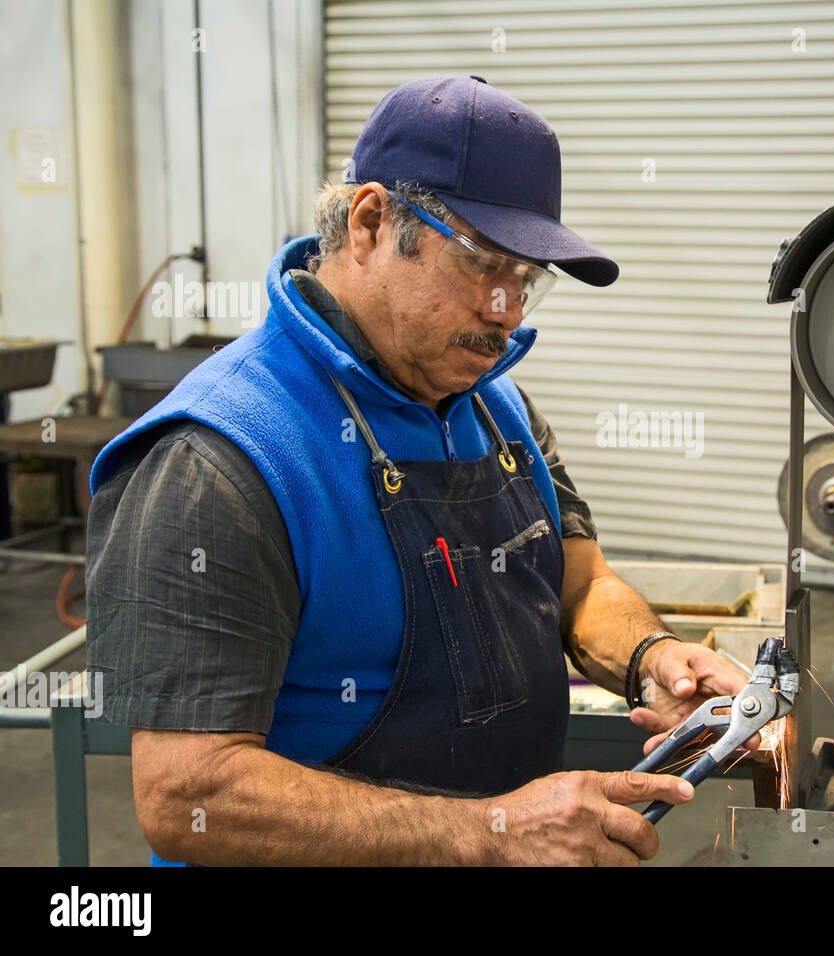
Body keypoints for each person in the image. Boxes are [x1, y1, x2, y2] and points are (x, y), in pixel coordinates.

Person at [85, 75, 753, 866]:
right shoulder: (219, 459)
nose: (506, 309)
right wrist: (492, 833)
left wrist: (653, 657)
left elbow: (579, 583)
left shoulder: (496, 407)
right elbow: (189, 795)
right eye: (480, 264)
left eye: (527, 281)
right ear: (371, 222)